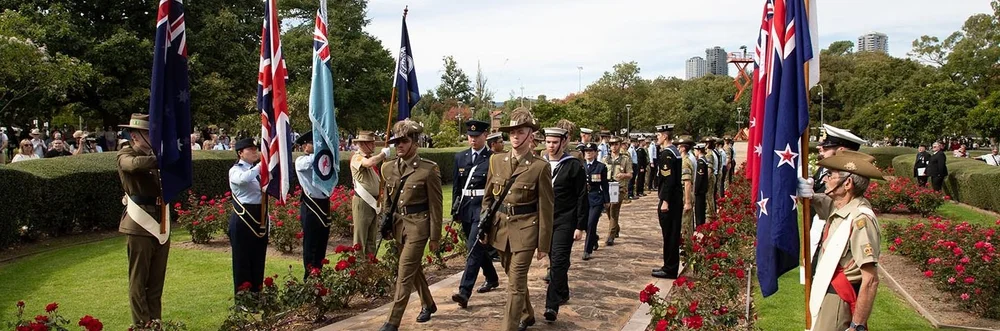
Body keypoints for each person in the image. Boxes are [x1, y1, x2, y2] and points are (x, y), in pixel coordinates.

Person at [480, 108, 554, 331]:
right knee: (512, 275)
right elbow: (488, 198)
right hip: (501, 229)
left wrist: (543, 244)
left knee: (515, 283)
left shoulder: (540, 167)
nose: (515, 136)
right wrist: (484, 226)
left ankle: (508, 327)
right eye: (512, 132)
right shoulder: (496, 161)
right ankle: (527, 313)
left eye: (520, 131)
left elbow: (546, 208)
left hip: (526, 231)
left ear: (530, 135)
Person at [797, 151, 883, 331]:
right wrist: (807, 196)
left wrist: (856, 325)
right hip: (825, 291)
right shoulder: (842, 207)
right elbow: (824, 203)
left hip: (838, 297)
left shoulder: (860, 219)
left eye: (830, 175)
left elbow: (870, 279)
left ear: (848, 183)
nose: (825, 179)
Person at [379, 120, 442, 331]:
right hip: (398, 225)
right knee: (413, 269)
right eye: (396, 141)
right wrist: (386, 223)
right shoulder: (387, 168)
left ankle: (392, 322)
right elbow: (388, 199)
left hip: (418, 226)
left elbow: (436, 206)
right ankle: (429, 303)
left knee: (404, 271)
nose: (399, 145)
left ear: (415, 142)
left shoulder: (428, 170)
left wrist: (435, 237)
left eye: (404, 141)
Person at [116, 114, 170, 325]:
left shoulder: (156, 155)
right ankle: (142, 325)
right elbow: (133, 165)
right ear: (135, 135)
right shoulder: (125, 152)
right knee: (138, 282)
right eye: (148, 133)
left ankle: (155, 324)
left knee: (156, 284)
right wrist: (162, 158)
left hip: (161, 221)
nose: (152, 137)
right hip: (139, 223)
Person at [538, 127, 588, 322]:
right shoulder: (540, 164)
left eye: (555, 142)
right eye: (548, 142)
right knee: (554, 259)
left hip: (565, 220)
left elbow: (582, 196)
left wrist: (580, 226)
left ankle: (552, 305)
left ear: (563, 142)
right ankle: (563, 291)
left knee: (558, 261)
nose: (551, 146)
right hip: (545, 220)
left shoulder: (573, 165)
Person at [450, 120, 500, 308]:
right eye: (470, 136)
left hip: (482, 207)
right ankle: (492, 277)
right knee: (478, 247)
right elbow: (457, 186)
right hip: (465, 207)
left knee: (472, 247)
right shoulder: (460, 157)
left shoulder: (493, 159)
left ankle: (464, 291)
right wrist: (455, 209)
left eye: (477, 136)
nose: (473, 140)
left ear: (485, 136)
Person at [228, 138, 269, 294]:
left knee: (258, 259)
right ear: (240, 153)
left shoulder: (257, 170)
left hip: (260, 215)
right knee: (242, 260)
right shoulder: (236, 170)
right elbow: (243, 180)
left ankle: (256, 294)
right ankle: (243, 298)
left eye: (255, 149)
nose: (254, 152)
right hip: (243, 217)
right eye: (250, 149)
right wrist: (261, 166)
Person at [294, 132, 332, 278]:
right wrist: (323, 149)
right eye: (311, 143)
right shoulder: (301, 161)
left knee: (322, 243)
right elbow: (312, 162)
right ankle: (309, 277)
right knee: (311, 245)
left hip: (323, 204)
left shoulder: (323, 157)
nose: (308, 145)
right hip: (311, 206)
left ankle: (319, 274)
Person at [349, 131, 389, 255]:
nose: (374, 145)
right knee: (360, 238)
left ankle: (370, 266)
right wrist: (382, 154)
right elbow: (368, 163)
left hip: (373, 202)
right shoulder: (357, 157)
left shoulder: (369, 158)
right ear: (362, 144)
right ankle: (360, 267)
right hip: (363, 201)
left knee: (371, 239)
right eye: (371, 143)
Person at [652, 124, 683, 279]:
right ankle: (670, 266)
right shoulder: (674, 152)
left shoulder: (667, 154)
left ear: (664, 136)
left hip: (671, 201)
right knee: (671, 234)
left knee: (670, 235)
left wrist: (665, 201)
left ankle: (669, 268)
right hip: (676, 198)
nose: (657, 137)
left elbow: (668, 180)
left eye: (658, 135)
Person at [580, 142, 609, 261]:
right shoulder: (580, 166)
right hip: (584, 199)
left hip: (596, 198)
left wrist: (607, 200)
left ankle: (587, 250)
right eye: (586, 151)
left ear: (595, 153)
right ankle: (594, 238)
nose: (588, 154)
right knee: (586, 224)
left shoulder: (601, 167)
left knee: (591, 223)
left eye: (591, 151)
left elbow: (604, 184)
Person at [602, 137, 631, 246]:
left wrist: (623, 175)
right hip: (607, 187)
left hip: (619, 187)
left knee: (614, 209)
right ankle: (616, 228)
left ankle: (610, 236)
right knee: (608, 209)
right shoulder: (605, 158)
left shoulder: (625, 159)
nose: (614, 146)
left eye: (616, 144)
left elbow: (630, 174)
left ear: (620, 145)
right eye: (612, 144)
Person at [676, 136, 695, 242]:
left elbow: (687, 183)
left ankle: (686, 247)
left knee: (685, 223)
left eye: (678, 146)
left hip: (685, 194)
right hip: (686, 194)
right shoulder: (686, 159)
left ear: (683, 148)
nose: (677, 148)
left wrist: (687, 202)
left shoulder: (685, 162)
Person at [700, 137, 718, 221]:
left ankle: (710, 215)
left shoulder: (709, 154)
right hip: (711, 177)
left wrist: (705, 180)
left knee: (709, 196)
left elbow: (709, 169)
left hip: (710, 178)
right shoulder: (711, 153)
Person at [693, 143, 709, 227]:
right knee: (701, 208)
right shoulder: (704, 160)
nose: (694, 152)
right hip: (703, 189)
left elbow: (699, 178)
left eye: (695, 150)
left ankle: (699, 225)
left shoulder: (700, 162)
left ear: (699, 151)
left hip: (700, 190)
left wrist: (695, 190)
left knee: (699, 209)